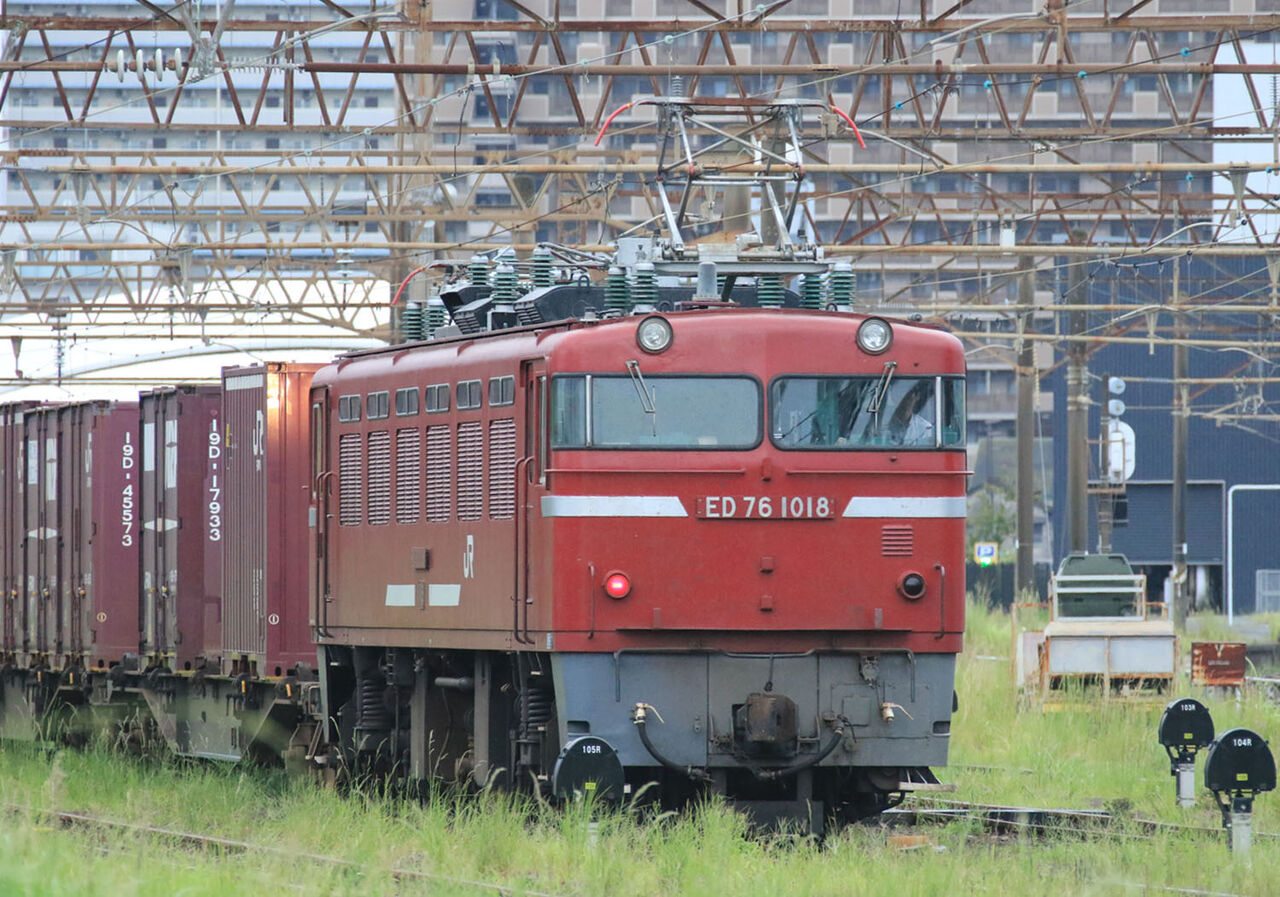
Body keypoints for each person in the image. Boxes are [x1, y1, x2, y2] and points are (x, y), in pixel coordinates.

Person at [889, 381, 935, 447]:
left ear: (917, 397)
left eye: (909, 395)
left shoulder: (925, 428)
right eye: (901, 395)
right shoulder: (884, 425)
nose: (904, 400)